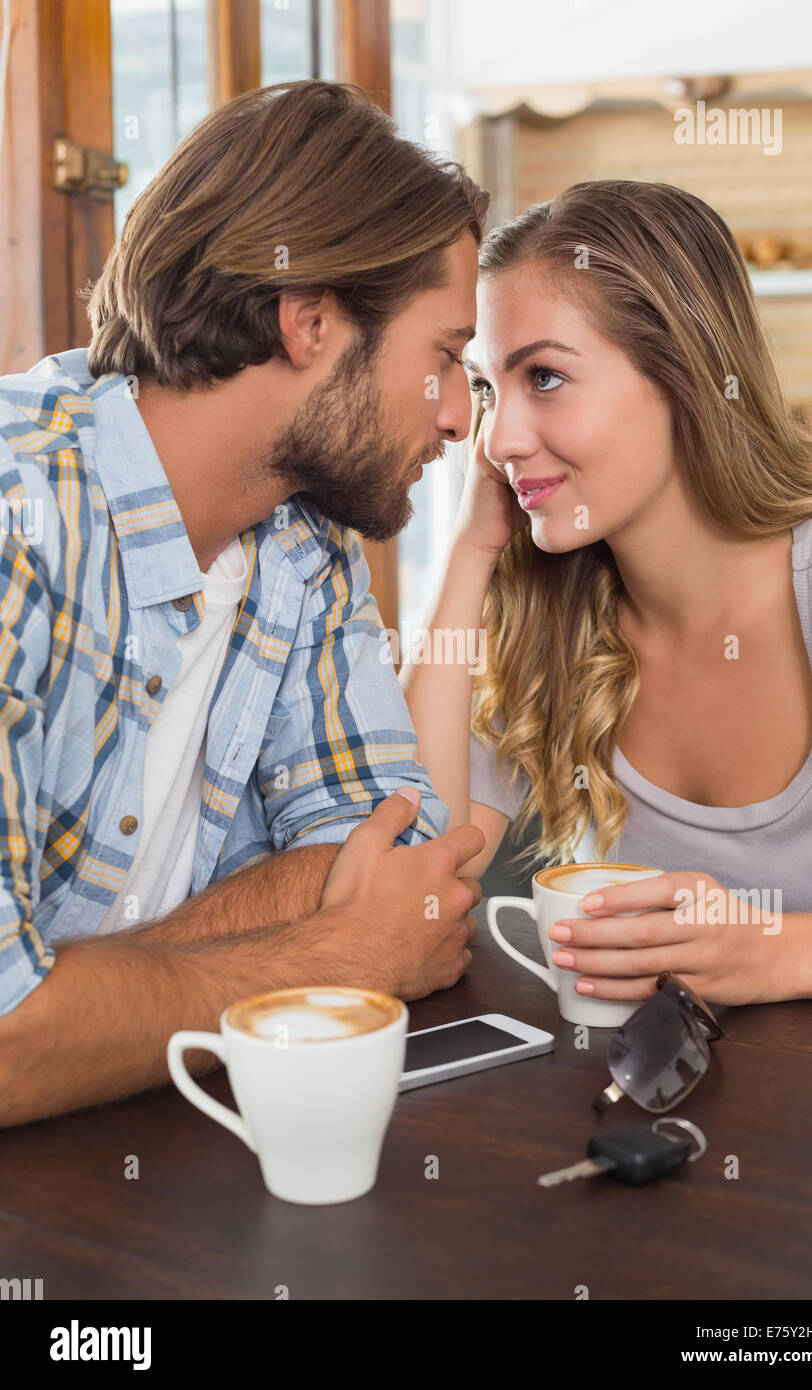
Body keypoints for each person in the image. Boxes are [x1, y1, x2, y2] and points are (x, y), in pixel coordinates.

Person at [0, 80, 489, 1126]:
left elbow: (393, 853)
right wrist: (336, 950)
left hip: (158, 1158)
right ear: (310, 321)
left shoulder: (304, 536)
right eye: (443, 358)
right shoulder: (19, 524)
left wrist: (71, 996)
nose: (457, 419)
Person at [401, 179, 812, 1009]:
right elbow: (425, 876)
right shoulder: (551, 614)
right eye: (485, 390)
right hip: (648, 1117)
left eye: (543, 377)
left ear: (684, 372)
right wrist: (471, 551)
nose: (499, 439)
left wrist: (777, 953)